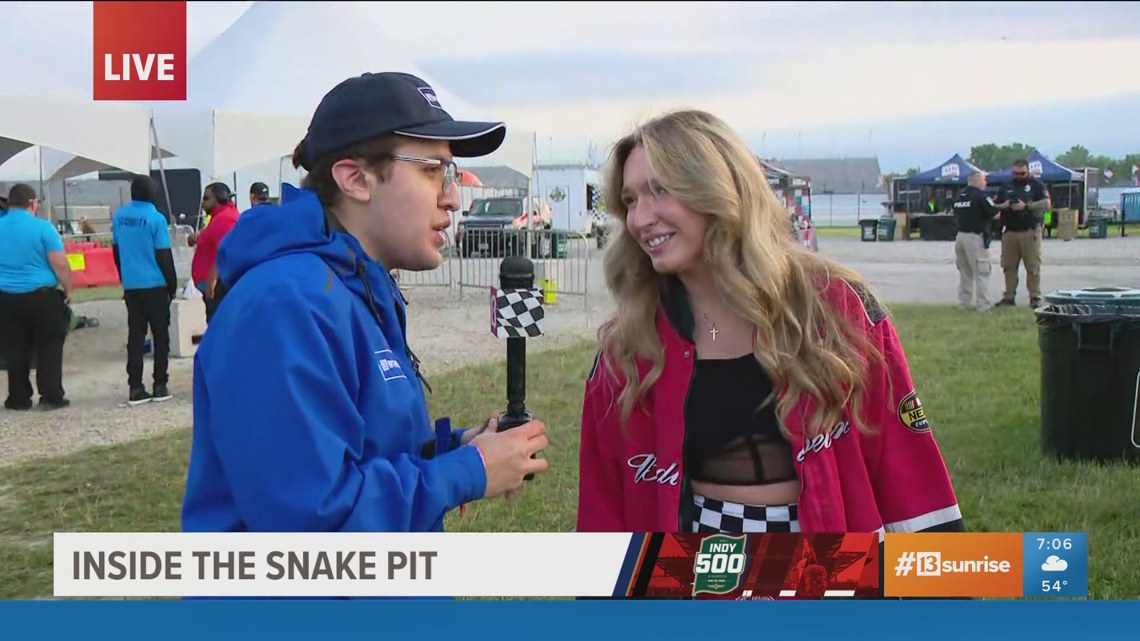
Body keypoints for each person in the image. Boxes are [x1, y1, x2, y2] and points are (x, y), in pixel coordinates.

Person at [182, 72, 549, 535]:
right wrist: (467, 471)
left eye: (451, 174)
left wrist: (457, 450)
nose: (453, 198)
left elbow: (366, 448)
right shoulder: (283, 305)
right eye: (433, 170)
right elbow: (313, 525)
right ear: (356, 179)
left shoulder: (355, 285)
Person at [576, 110, 964, 537]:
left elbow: (910, 474)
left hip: (830, 565)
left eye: (660, 190)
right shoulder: (629, 345)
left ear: (719, 189)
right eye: (630, 200)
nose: (640, 219)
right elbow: (603, 507)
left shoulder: (838, 310)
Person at [0, 184, 72, 410]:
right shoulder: (43, 228)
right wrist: (68, 288)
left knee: (15, 347)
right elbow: (59, 263)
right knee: (50, 343)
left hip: (6, 295)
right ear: (32, 203)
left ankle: (18, 397)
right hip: (42, 295)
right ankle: (51, 395)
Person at [111, 175, 178, 405]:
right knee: (161, 337)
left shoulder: (119, 217)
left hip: (132, 285)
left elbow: (116, 251)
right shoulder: (155, 218)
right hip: (155, 284)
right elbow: (163, 255)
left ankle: (135, 387)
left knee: (136, 337)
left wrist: (125, 277)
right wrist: (172, 285)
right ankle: (160, 384)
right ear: (152, 194)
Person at [994, 159, 1050, 308]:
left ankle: (1034, 296)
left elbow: (1046, 204)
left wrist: (1026, 206)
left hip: (1029, 230)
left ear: (1028, 171)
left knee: (1032, 266)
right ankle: (1009, 296)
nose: (1018, 176)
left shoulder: (1036, 185)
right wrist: (1003, 205)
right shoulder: (1006, 186)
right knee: (1008, 266)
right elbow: (995, 204)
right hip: (1010, 231)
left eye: (1022, 173)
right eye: (1016, 173)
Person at [190, 182, 240, 323]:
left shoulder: (224, 219)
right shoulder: (220, 217)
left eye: (206, 198)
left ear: (219, 199)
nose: (202, 203)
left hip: (217, 285)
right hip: (216, 283)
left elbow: (224, 252)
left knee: (218, 324)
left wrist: (211, 281)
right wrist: (198, 237)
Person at [951, 172, 1000, 312]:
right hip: (975, 237)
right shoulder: (981, 196)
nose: (985, 183)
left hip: (960, 236)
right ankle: (983, 305)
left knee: (965, 273)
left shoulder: (959, 197)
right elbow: (994, 212)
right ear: (977, 180)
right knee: (982, 271)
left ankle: (964, 303)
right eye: (984, 180)